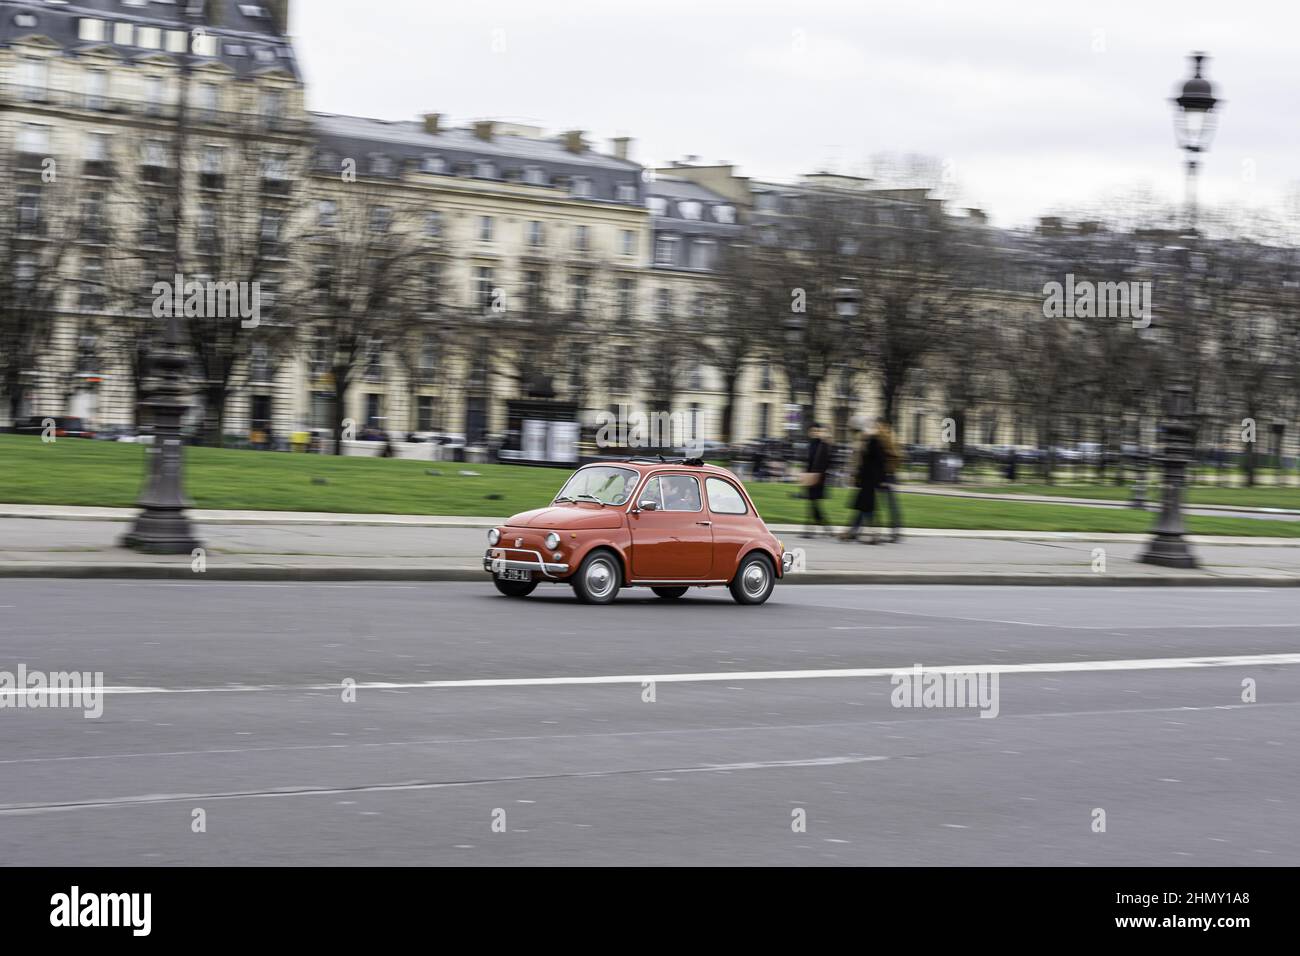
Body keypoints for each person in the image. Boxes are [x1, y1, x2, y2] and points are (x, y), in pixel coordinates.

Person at [842, 418, 903, 544]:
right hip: (872, 476)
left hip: (884, 475)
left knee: (885, 504)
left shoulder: (886, 437)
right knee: (865, 503)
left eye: (877, 425)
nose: (874, 427)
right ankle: (854, 531)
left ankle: (893, 532)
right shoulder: (870, 438)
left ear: (883, 425)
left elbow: (893, 457)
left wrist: (886, 472)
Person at [801, 424, 832, 537]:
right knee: (813, 504)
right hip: (810, 478)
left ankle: (811, 529)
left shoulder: (823, 445)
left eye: (817, 431)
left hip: (818, 479)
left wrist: (818, 475)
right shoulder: (811, 445)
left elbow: (826, 463)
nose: (815, 433)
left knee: (813, 504)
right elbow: (808, 462)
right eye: (813, 431)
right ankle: (824, 527)